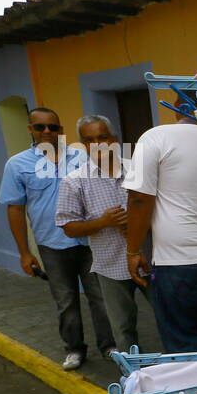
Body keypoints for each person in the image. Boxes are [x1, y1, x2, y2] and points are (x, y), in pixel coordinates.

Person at [0, 106, 115, 370]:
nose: (47, 132)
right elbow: (14, 208)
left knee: (100, 297)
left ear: (60, 130)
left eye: (53, 127)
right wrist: (24, 252)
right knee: (66, 301)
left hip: (88, 240)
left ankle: (109, 346)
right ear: (31, 130)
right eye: (40, 127)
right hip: (52, 244)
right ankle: (74, 349)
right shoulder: (17, 165)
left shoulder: (81, 157)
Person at [123, 109, 197, 353]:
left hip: (177, 264)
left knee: (184, 347)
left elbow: (139, 198)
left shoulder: (155, 137)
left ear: (175, 105)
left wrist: (133, 250)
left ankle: (196, 391)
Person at [56, 114, 149, 356]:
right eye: (90, 140)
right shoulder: (74, 181)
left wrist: (141, 222)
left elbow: (163, 207)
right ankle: (134, 377)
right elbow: (67, 226)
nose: (98, 144)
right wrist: (103, 222)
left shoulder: (140, 171)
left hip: (150, 259)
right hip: (110, 265)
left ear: (115, 140)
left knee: (170, 315)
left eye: (103, 137)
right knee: (123, 327)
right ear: (83, 145)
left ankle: (179, 370)